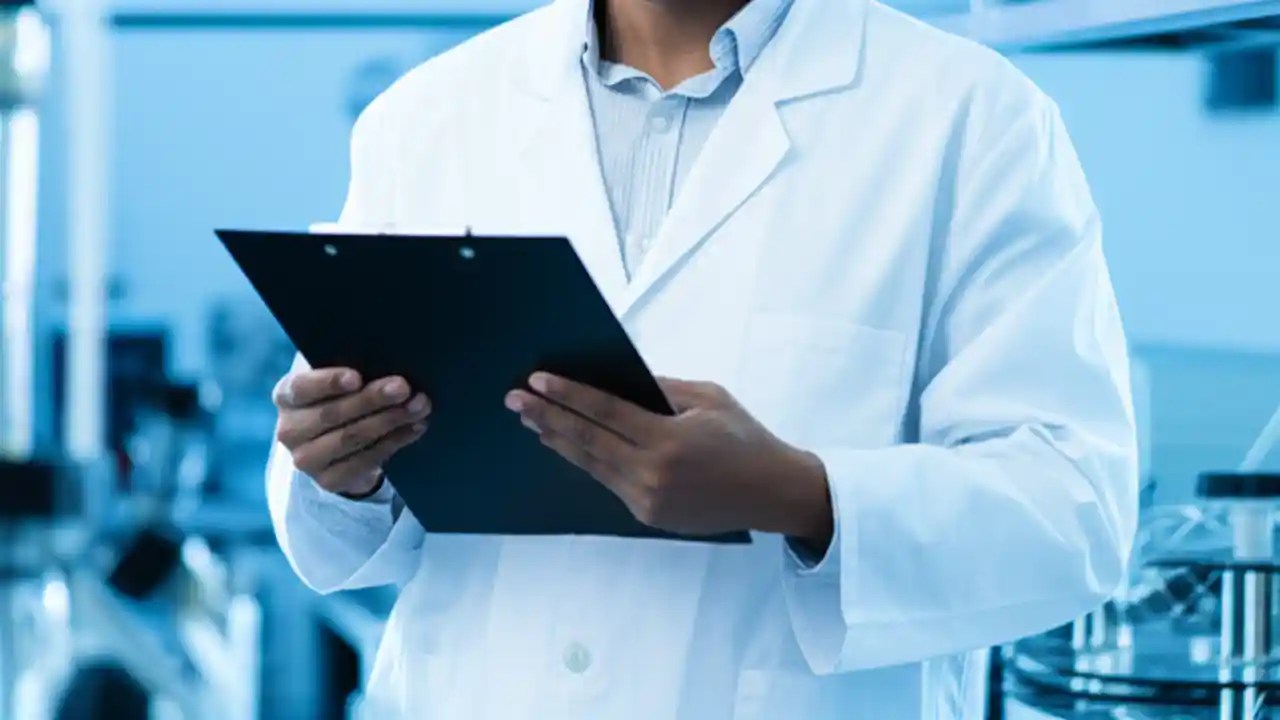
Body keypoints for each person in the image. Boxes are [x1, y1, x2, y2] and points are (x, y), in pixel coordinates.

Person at [267, 0, 1139, 717]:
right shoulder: (428, 116)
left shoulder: (970, 117)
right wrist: (339, 467)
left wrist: (795, 492)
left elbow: (1075, 512)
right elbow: (337, 532)